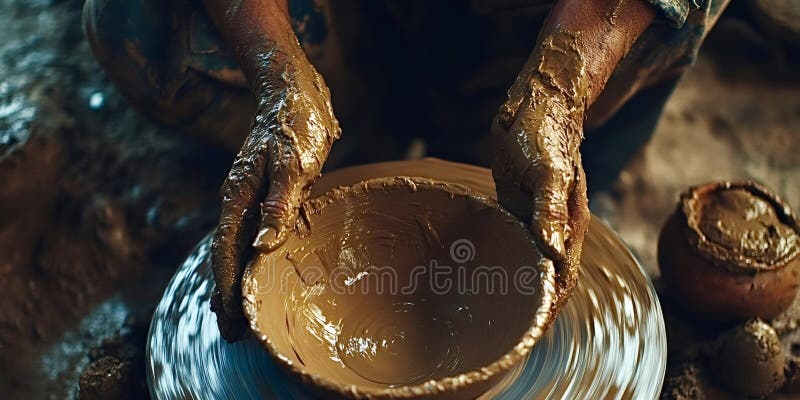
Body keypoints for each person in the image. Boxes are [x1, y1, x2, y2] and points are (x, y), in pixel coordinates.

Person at [83, 0, 728, 340]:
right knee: (136, 23)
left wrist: (558, 91)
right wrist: (279, 80)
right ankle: (349, 156)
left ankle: (517, 156)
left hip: (539, 22)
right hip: (364, 18)